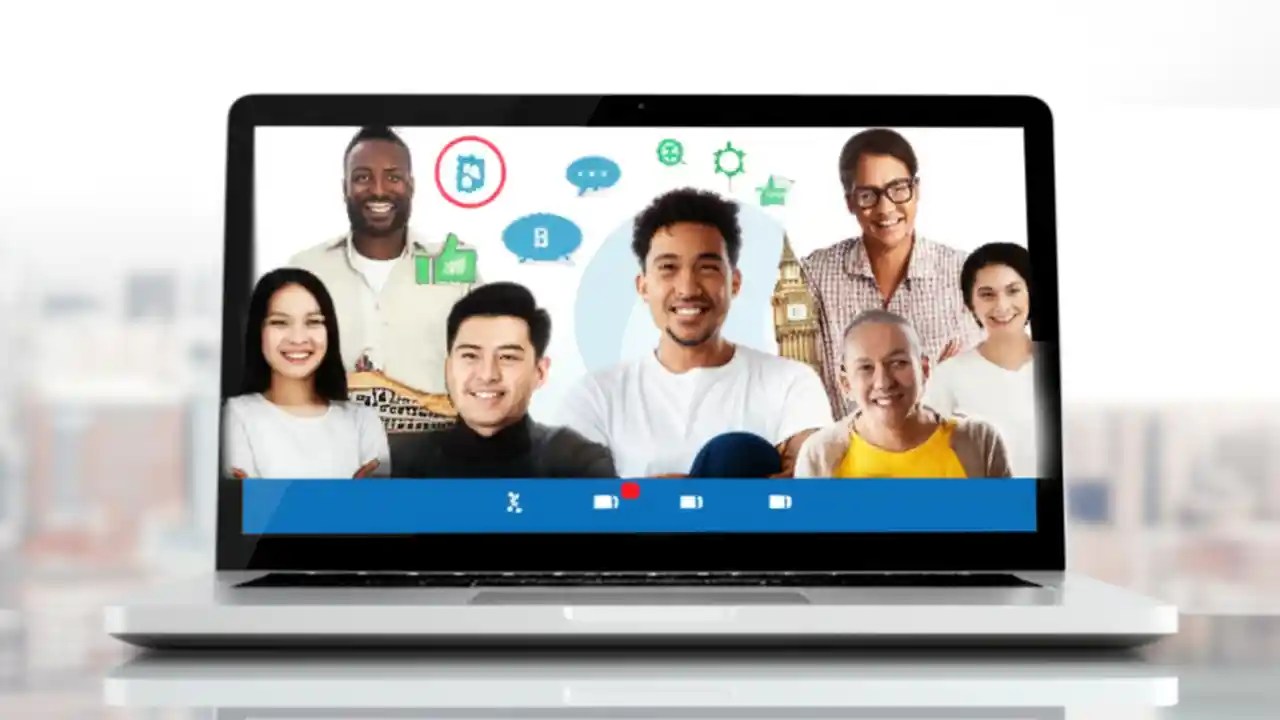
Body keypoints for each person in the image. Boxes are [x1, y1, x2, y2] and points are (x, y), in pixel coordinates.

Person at [557, 187, 833, 478]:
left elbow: (807, 484)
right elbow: (574, 507)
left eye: (707, 268)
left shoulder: (791, 383)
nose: (688, 289)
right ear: (643, 286)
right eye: (668, 268)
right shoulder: (596, 397)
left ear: (734, 283)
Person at [288, 125, 482, 432]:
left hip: (436, 463)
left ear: (412, 186)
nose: (378, 190)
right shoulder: (306, 270)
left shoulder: (455, 266)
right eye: (363, 177)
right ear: (345, 188)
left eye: (393, 177)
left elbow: (488, 365)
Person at [801, 128, 982, 419]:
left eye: (898, 189)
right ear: (850, 202)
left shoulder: (964, 274)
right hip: (846, 457)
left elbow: (983, 384)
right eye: (867, 195)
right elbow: (804, 379)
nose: (885, 208)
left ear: (916, 190)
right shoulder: (815, 275)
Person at [394, 282, 616, 478]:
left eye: (507, 357)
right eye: (470, 356)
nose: (487, 374)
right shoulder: (399, 461)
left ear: (539, 372)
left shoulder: (576, 462)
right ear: (448, 368)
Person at [794, 309, 1010, 479]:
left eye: (898, 363)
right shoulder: (819, 455)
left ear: (924, 370)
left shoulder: (980, 442)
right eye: (866, 368)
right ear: (845, 384)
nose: (884, 382)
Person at [222, 268, 391, 479]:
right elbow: (248, 508)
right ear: (258, 331)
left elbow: (375, 509)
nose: (298, 338)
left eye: (313, 322)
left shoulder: (364, 421)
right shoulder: (235, 415)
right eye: (279, 322)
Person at [923, 242, 1038, 477]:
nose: (1002, 306)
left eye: (1013, 290)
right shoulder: (949, 376)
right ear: (970, 304)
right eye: (987, 295)